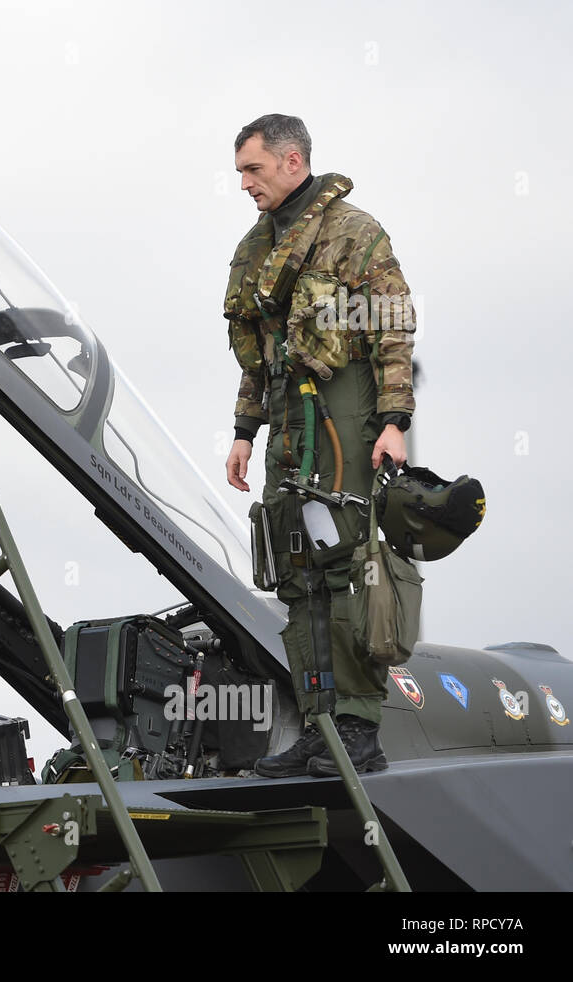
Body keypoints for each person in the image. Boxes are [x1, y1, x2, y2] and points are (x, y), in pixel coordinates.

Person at [221, 115, 416, 777]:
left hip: (344, 411)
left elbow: (393, 328)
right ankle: (318, 726)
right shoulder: (261, 248)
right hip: (285, 421)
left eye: (254, 169)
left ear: (293, 161)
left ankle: (360, 729)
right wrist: (245, 433)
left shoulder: (354, 234)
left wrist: (394, 421)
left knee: (349, 568)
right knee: (298, 574)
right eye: (242, 171)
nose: (244, 183)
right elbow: (260, 352)